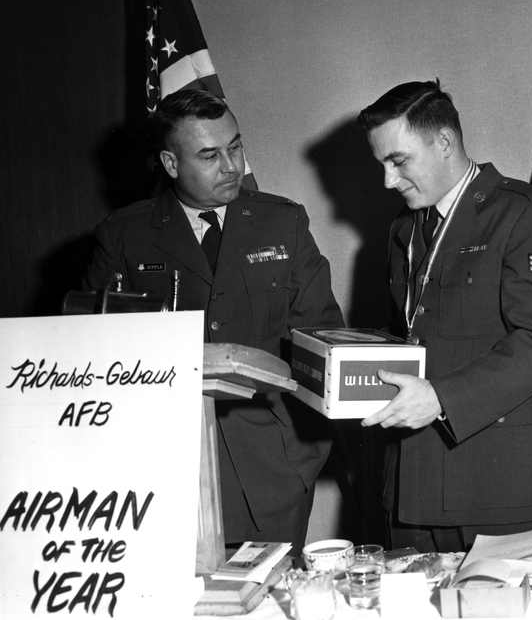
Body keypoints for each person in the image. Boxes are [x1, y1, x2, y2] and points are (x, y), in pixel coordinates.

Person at [83, 89, 344, 552]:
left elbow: (321, 334)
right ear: (169, 163)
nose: (232, 167)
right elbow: (94, 353)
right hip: (165, 460)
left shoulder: (282, 223)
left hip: (273, 463)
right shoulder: (125, 235)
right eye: (210, 155)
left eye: (236, 147)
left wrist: (305, 453)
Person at [357, 80, 532, 552]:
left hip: (494, 483)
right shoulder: (404, 228)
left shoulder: (525, 214)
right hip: (410, 484)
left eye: (398, 161)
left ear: (443, 143)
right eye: (381, 165)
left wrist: (439, 398)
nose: (387, 181)